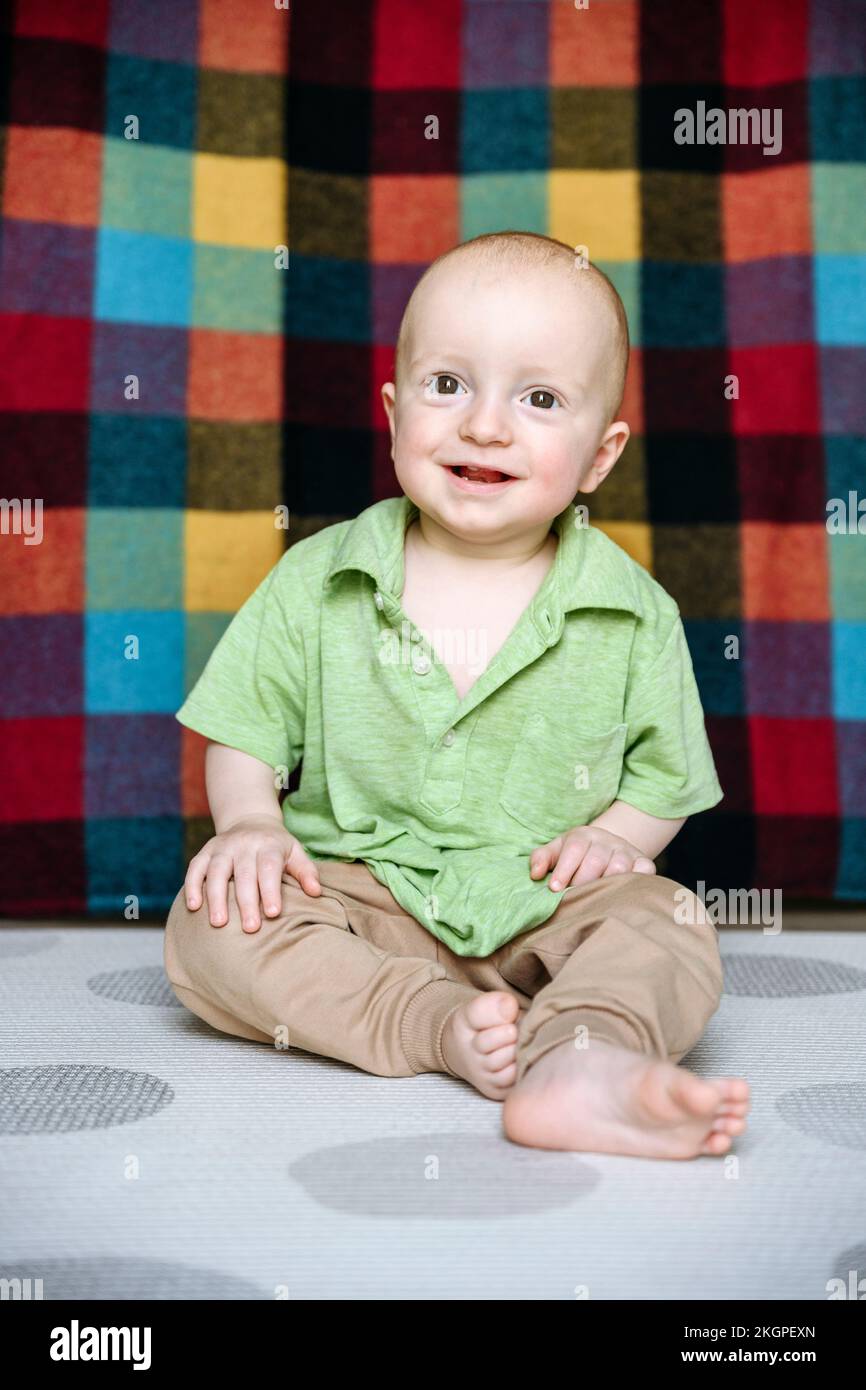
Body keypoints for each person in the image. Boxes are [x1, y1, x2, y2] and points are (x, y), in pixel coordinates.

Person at [164, 231, 750, 1159]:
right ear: (395, 411)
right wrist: (248, 824)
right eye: (449, 385)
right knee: (211, 928)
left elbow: (665, 778)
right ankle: (431, 1023)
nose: (484, 425)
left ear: (600, 455)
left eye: (540, 398)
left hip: (543, 901)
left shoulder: (636, 614)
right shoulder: (320, 579)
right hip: (356, 899)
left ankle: (580, 1059)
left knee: (670, 921)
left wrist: (616, 841)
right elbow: (243, 726)